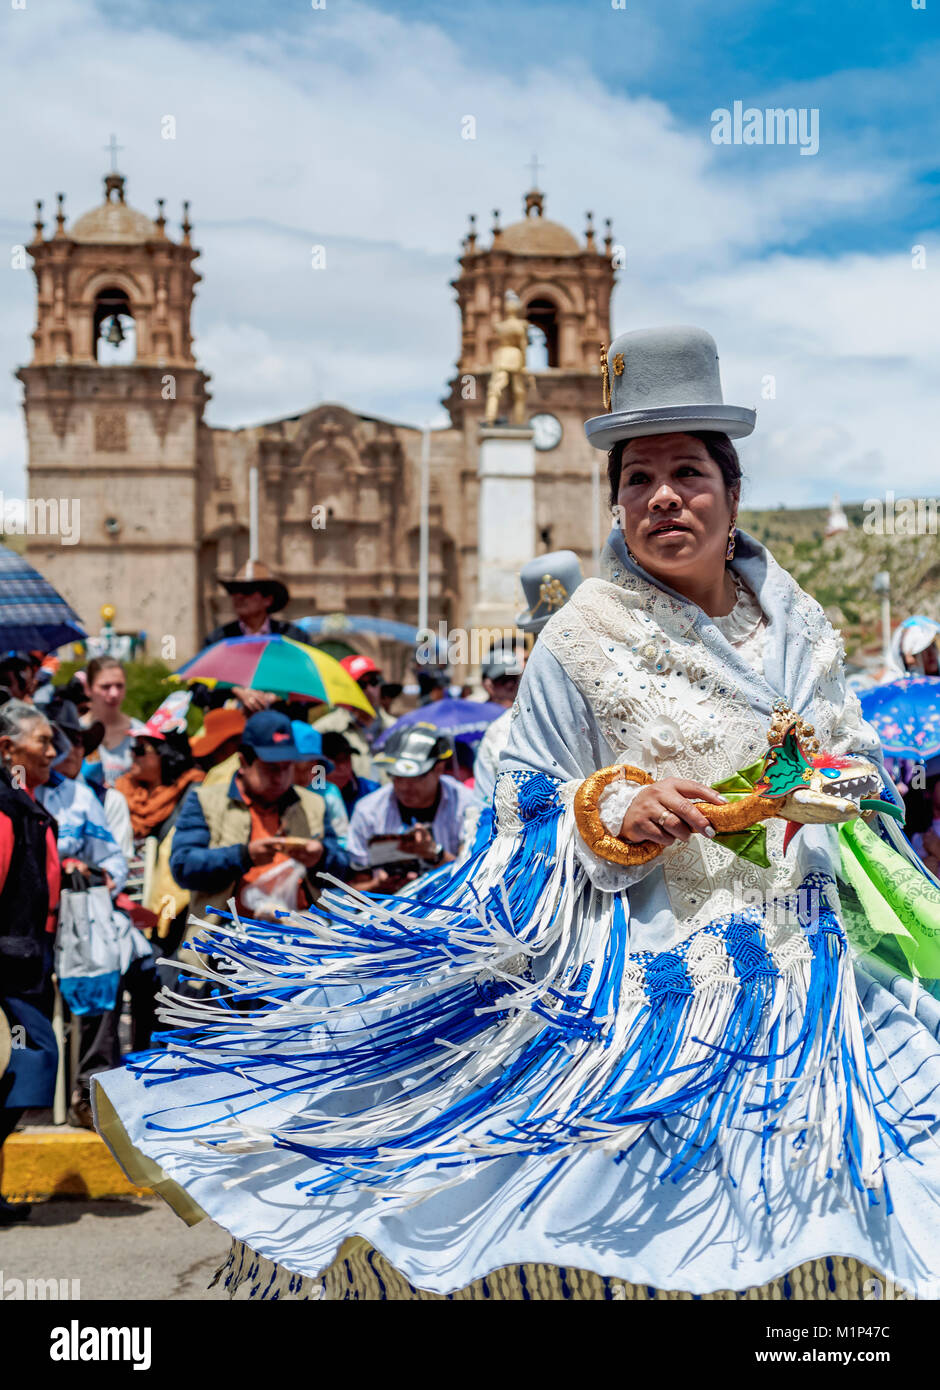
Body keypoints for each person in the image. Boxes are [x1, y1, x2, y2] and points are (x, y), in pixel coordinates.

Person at [93, 325, 940, 1302]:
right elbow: (512, 797)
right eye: (639, 478)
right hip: (647, 980)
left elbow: (864, 774)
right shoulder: (582, 634)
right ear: (615, 500)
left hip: (812, 967)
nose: (664, 495)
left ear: (731, 490)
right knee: (651, 1234)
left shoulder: (797, 620)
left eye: (688, 472)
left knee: (827, 1221)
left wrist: (794, 794)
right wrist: (613, 801)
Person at [169, 711, 344, 931]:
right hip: (227, 938)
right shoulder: (205, 800)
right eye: (271, 768)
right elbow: (183, 867)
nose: (280, 778)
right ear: (244, 761)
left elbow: (342, 869)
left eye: (286, 767)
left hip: (302, 934)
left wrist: (320, 857)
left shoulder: (313, 804)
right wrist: (243, 856)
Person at [38, 716, 129, 1129]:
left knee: (106, 963)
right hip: (23, 921)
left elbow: (112, 857)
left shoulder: (79, 797)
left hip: (74, 918)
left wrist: (96, 873)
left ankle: (89, 1089)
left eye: (80, 743)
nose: (74, 750)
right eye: (62, 740)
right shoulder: (13, 791)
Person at [0, 701, 59, 1223]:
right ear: (7, 749)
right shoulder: (2, 807)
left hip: (26, 963)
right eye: (41, 741)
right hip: (7, 968)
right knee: (32, 1060)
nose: (51, 750)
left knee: (20, 1069)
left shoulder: (25, 803)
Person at [473, 551, 584, 806]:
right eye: (548, 638)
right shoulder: (500, 735)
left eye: (575, 634)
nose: (562, 649)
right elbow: (479, 817)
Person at [345, 725, 476, 893]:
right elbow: (355, 887)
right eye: (397, 777)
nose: (405, 786)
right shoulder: (368, 811)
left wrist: (436, 854)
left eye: (415, 778)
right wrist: (379, 886)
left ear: (439, 769)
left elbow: (475, 877)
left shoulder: (467, 805)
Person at [201, 560, 309, 715]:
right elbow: (198, 689)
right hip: (233, 731)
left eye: (247, 591)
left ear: (268, 599)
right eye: (234, 591)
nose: (238, 597)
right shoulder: (218, 639)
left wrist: (278, 695)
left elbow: (310, 684)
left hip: (282, 728)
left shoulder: (293, 638)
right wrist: (234, 690)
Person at [115, 725, 204, 843]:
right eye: (132, 748)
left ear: (164, 754)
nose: (132, 755)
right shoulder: (121, 788)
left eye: (140, 749)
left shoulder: (191, 792)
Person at [314, 654, 387, 780]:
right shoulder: (323, 730)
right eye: (361, 685)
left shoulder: (397, 727)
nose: (370, 690)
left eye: (374, 681)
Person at [82, 658, 145, 787]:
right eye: (105, 686)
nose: (114, 693)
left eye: (119, 686)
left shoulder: (139, 732)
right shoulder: (76, 731)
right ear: (88, 688)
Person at [290, 722, 351, 855]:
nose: (311, 766)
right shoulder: (273, 792)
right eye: (305, 760)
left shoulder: (328, 793)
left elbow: (343, 839)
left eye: (314, 761)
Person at [322, 731, 379, 815]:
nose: (343, 767)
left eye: (346, 758)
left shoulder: (373, 791)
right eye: (336, 760)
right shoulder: (311, 798)